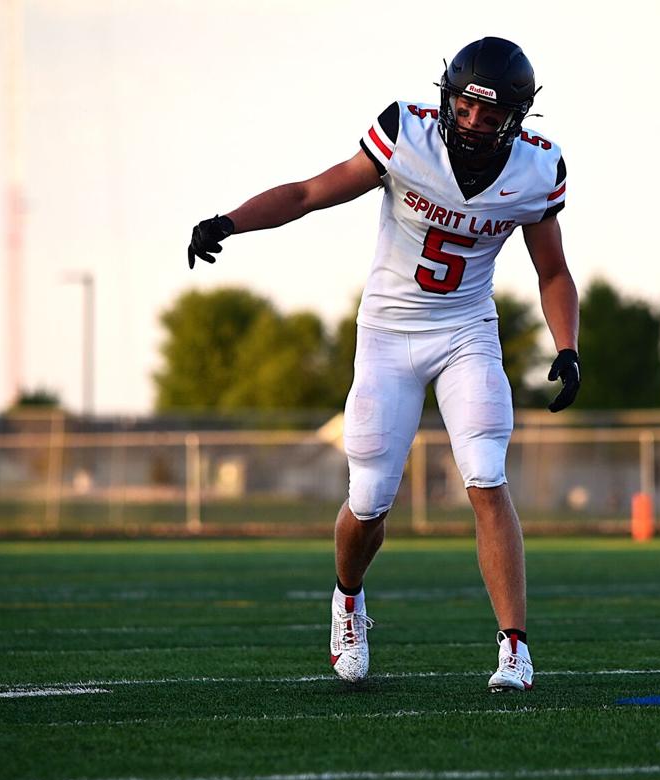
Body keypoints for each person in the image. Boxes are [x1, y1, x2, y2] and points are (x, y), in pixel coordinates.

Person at [188, 37, 580, 692]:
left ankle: (514, 647)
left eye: (491, 114)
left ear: (517, 116)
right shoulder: (406, 133)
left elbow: (554, 271)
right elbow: (311, 191)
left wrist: (567, 346)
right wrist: (230, 221)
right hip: (388, 333)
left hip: (466, 330)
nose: (475, 122)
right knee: (369, 499)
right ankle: (347, 596)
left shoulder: (539, 168)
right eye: (466, 106)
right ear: (448, 97)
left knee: (485, 472)